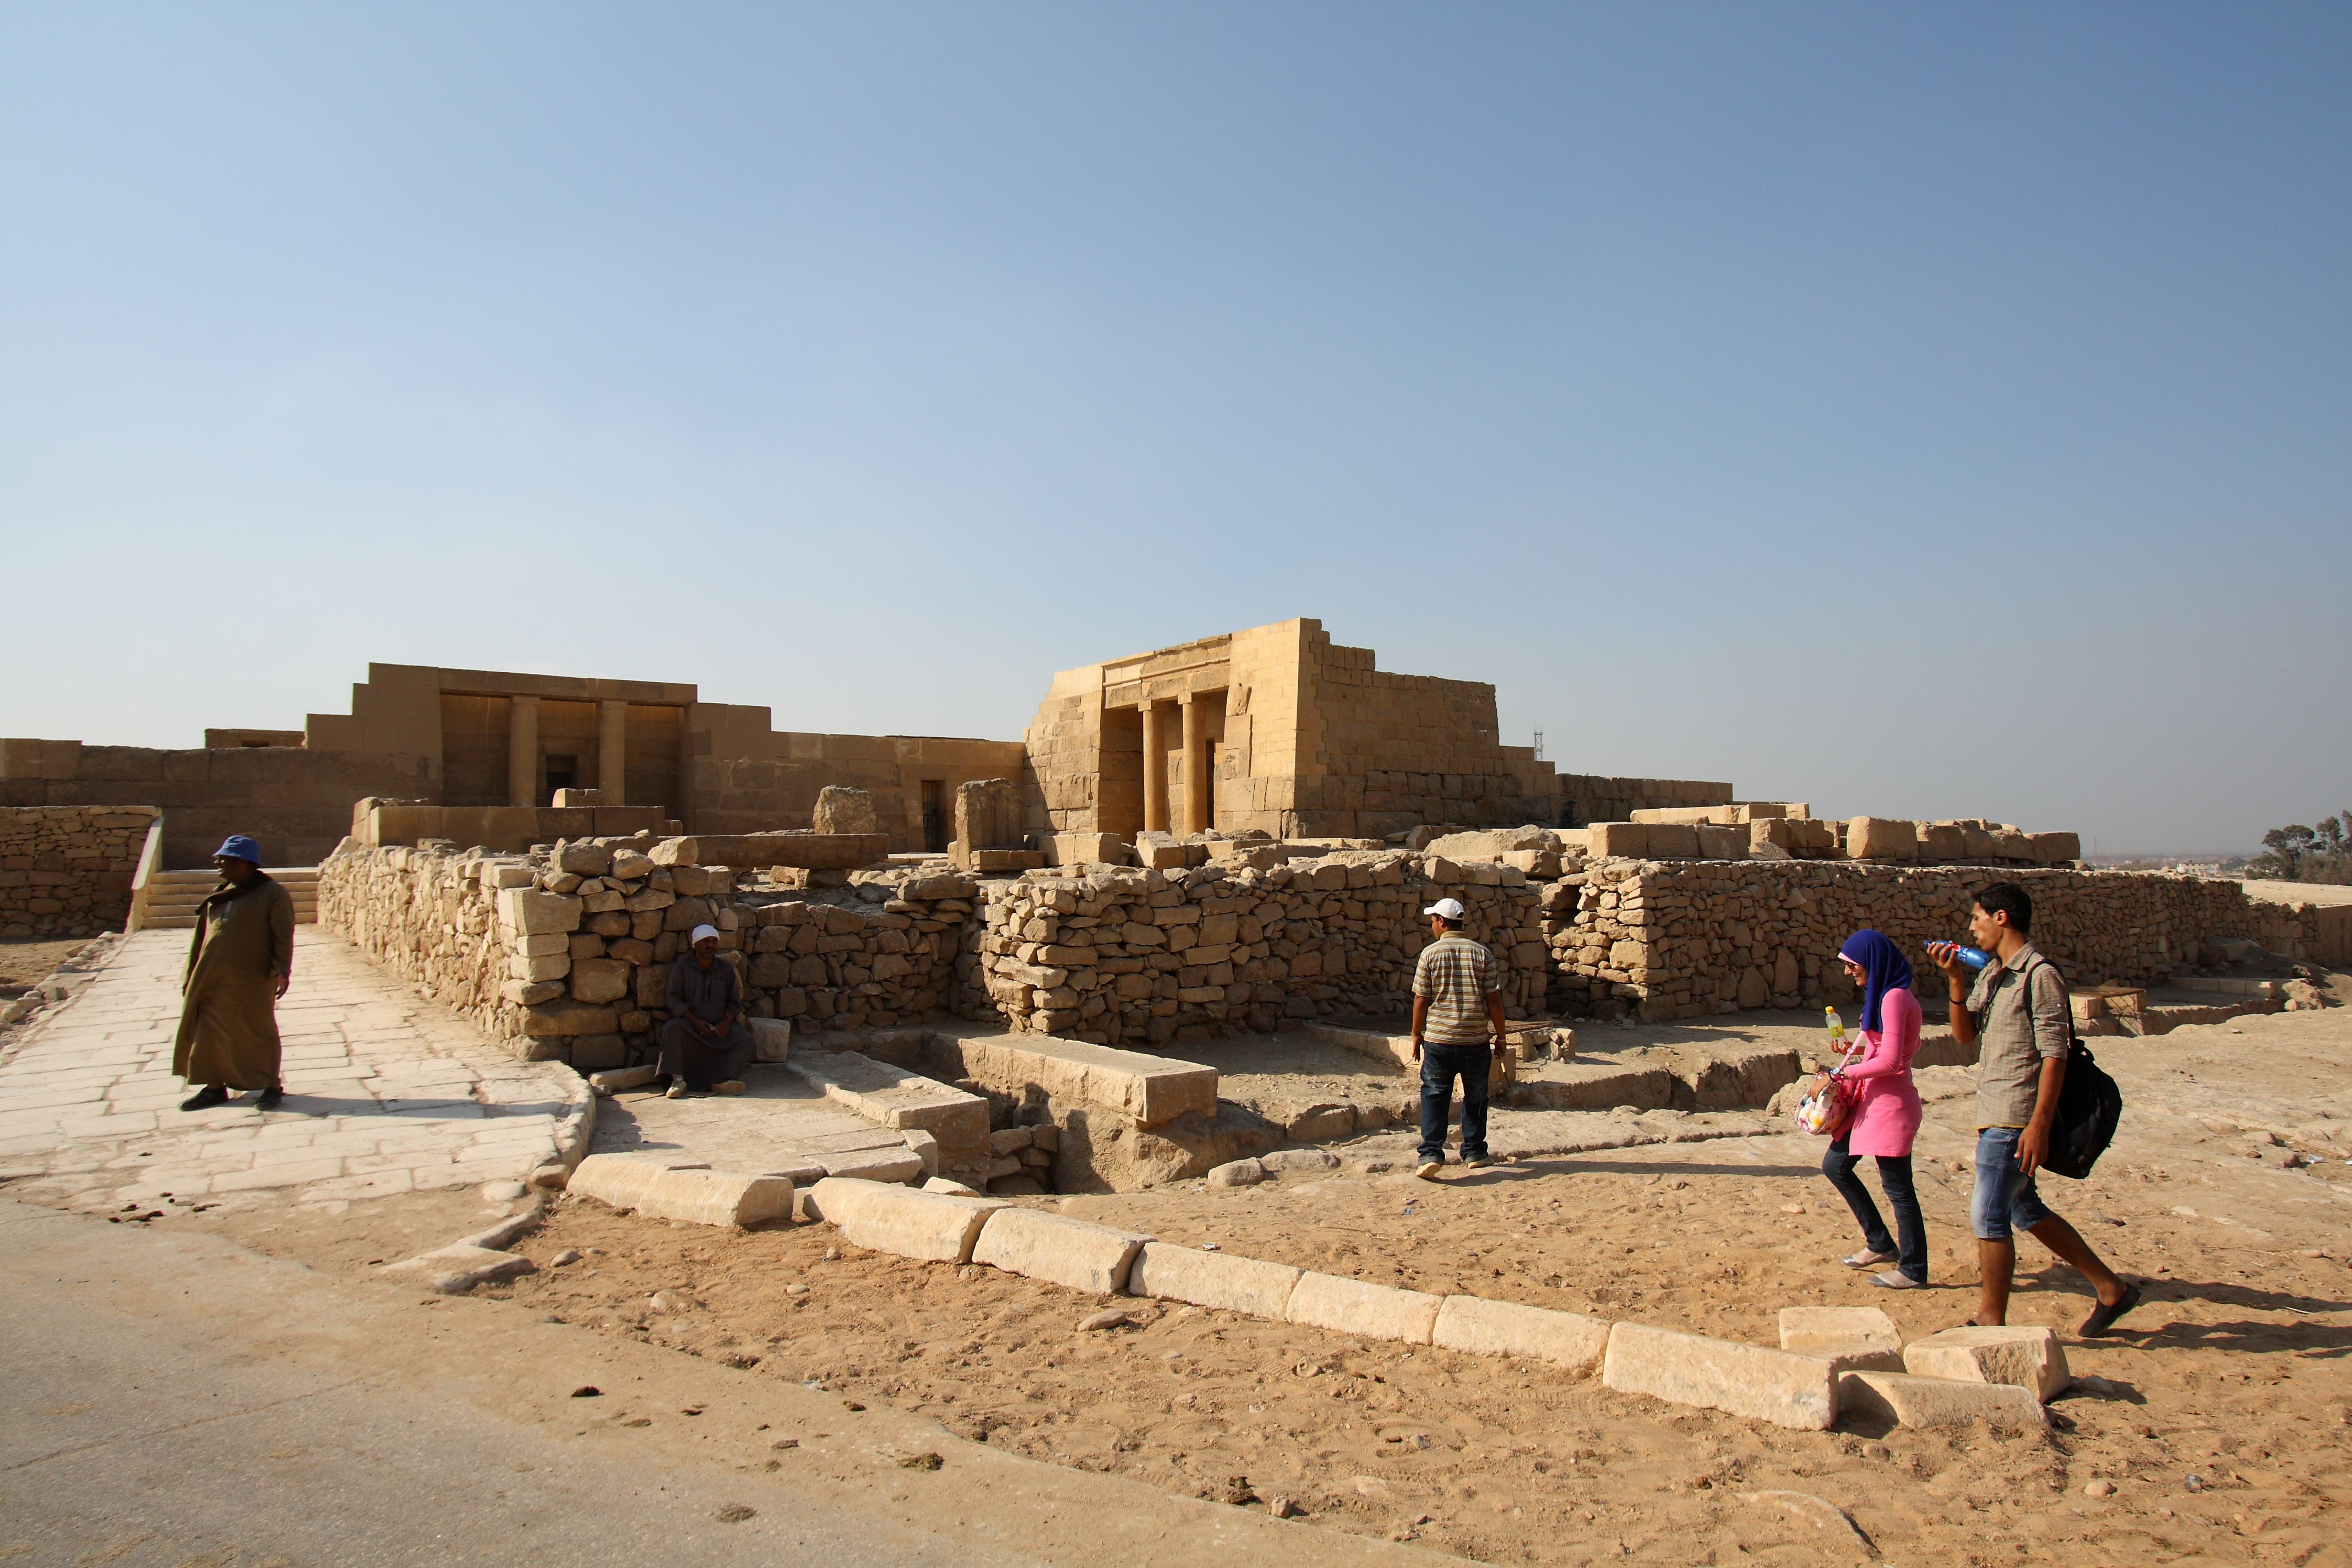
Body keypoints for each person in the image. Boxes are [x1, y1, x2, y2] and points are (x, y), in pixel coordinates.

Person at [1932, 881, 2142, 1335]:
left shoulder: (2039, 976)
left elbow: (2055, 1054)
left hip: (2017, 1116)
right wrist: (1954, 981)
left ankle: (1991, 1316)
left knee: (1988, 1215)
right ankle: (2111, 1288)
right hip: (1993, 1107)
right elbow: (1966, 1036)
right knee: (2023, 1209)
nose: (1971, 929)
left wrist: (2040, 1123)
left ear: (2001, 918)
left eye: (1976, 918)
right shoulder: (1992, 973)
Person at [1820, 929, 1928, 1288]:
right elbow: (1881, 1051)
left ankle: (1913, 1269)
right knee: (1836, 1165)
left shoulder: (1894, 998)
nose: (1849, 972)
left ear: (1872, 960)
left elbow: (1893, 1063)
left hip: (1890, 1106)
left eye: (1852, 965)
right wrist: (1853, 1050)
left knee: (1898, 1187)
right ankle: (1880, 1242)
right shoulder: (1883, 994)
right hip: (1871, 1101)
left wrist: (1841, 1073)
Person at [173, 835, 295, 1112]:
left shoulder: (272, 894)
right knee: (209, 1031)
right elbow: (202, 937)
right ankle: (214, 1087)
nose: (218, 863)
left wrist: (281, 971)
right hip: (212, 978)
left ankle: (270, 1085)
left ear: (244, 863)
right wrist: (190, 974)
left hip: (251, 978)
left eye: (225, 859)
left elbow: (283, 935)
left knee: (256, 1030)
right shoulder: (221, 894)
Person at [1408, 896, 1509, 1181]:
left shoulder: (1430, 954)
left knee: (1435, 1094)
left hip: (1440, 1039)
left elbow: (1421, 999)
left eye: (1432, 921)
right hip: (1475, 1039)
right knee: (1476, 1096)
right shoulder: (1482, 954)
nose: (1431, 926)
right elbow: (1494, 999)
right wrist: (1501, 1036)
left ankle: (1430, 1153)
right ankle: (1475, 1151)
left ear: (1442, 921)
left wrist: (1417, 1034)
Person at [659, 924, 753, 1098]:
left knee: (745, 1039)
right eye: (706, 941)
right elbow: (673, 999)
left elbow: (734, 1002)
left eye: (714, 941)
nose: (711, 945)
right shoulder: (682, 968)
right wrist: (694, 1021)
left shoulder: (725, 970)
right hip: (690, 1028)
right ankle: (678, 1080)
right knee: (672, 1029)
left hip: (718, 1030)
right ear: (695, 944)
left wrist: (725, 1023)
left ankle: (724, 1080)